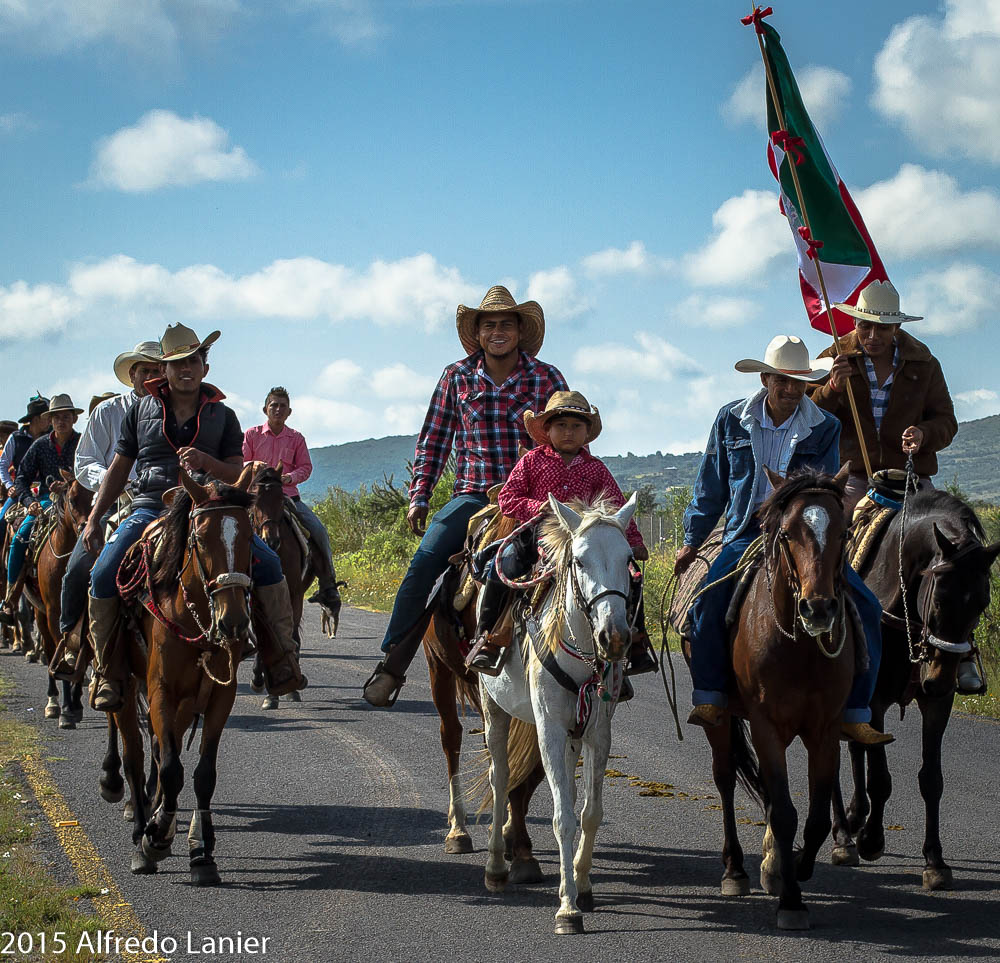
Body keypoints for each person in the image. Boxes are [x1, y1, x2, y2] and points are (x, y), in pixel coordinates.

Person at [675, 335, 892, 745]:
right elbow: (711, 485)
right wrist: (693, 539)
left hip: (802, 532)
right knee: (706, 600)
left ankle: (856, 711)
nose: (791, 390)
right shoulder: (730, 419)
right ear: (765, 379)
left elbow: (823, 488)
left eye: (798, 382)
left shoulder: (824, 426)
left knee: (865, 604)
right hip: (746, 530)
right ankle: (710, 695)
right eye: (782, 381)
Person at [82, 323, 305, 712]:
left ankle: (280, 661)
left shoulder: (224, 415)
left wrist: (206, 463)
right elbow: (119, 468)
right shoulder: (140, 410)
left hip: (209, 509)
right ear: (164, 369)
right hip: (151, 507)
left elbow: (236, 476)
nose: (188, 368)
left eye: (196, 361)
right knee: (103, 573)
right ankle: (106, 670)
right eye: (179, 362)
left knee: (270, 565)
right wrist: (95, 517)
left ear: (205, 367)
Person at [363, 285, 568, 707]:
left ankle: (615, 655)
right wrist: (419, 494)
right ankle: (393, 660)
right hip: (474, 495)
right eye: (489, 325)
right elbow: (434, 440)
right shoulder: (456, 376)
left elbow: (570, 436)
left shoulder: (546, 377)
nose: (497, 332)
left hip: (534, 498)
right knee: (425, 562)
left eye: (505, 324)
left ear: (518, 330)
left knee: (593, 562)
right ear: (477, 333)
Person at [467, 390, 655, 676]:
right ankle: (487, 637)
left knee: (631, 577)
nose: (568, 432)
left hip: (585, 541)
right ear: (547, 430)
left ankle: (636, 643)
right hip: (536, 536)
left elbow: (617, 509)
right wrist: (535, 506)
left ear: (587, 432)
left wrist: (634, 542)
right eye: (561, 426)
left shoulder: (596, 469)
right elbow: (507, 498)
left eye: (576, 426)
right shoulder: (532, 461)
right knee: (502, 567)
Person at [809, 280, 957, 518]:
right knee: (831, 525)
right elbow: (808, 418)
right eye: (865, 326)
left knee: (944, 529)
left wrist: (924, 434)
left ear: (896, 326)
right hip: (852, 475)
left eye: (883, 328)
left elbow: (947, 422)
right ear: (855, 323)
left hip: (911, 477)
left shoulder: (925, 363)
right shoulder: (833, 357)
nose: (873, 336)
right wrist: (832, 388)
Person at [56, 341, 163, 655]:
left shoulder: (172, 410)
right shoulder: (108, 411)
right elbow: (84, 462)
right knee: (77, 571)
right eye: (145, 370)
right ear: (132, 374)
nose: (152, 377)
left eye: (158, 371)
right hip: (114, 501)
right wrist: (112, 481)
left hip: (161, 500)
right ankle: (70, 641)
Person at [242, 386, 343, 611]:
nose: (278, 409)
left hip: (288, 497)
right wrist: (251, 467)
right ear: (265, 409)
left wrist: (290, 477)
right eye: (273, 405)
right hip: (256, 500)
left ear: (289, 412)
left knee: (319, 531)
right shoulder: (251, 434)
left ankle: (328, 585)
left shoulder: (296, 438)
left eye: (282, 406)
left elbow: (306, 467)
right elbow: (239, 463)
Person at [2, 395, 82, 618]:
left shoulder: (83, 442)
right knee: (20, 538)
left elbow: (91, 472)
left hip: (78, 499)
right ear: (50, 420)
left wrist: (71, 482)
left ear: (74, 419)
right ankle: (11, 597)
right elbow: (21, 479)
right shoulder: (40, 445)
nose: (61, 421)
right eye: (56, 417)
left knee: (100, 533)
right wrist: (30, 503)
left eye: (66, 417)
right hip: (46, 501)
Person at [0, 396, 51, 523]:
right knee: (1, 521)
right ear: (36, 419)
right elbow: (3, 464)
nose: (50, 421)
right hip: (21, 491)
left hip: (47, 490)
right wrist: (9, 486)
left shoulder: (51, 437)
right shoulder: (16, 438)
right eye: (46, 417)